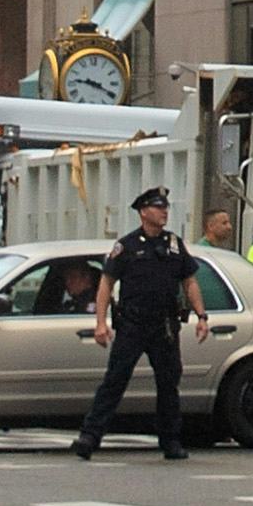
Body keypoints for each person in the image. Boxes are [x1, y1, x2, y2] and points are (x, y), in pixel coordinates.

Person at [76, 186, 199, 461]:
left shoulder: (174, 244)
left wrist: (201, 316)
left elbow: (190, 281)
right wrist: (100, 323)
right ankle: (90, 437)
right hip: (133, 323)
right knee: (115, 381)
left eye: (166, 207)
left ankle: (171, 441)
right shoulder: (127, 246)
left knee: (168, 384)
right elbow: (106, 285)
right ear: (144, 212)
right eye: (158, 207)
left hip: (164, 325)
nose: (164, 211)